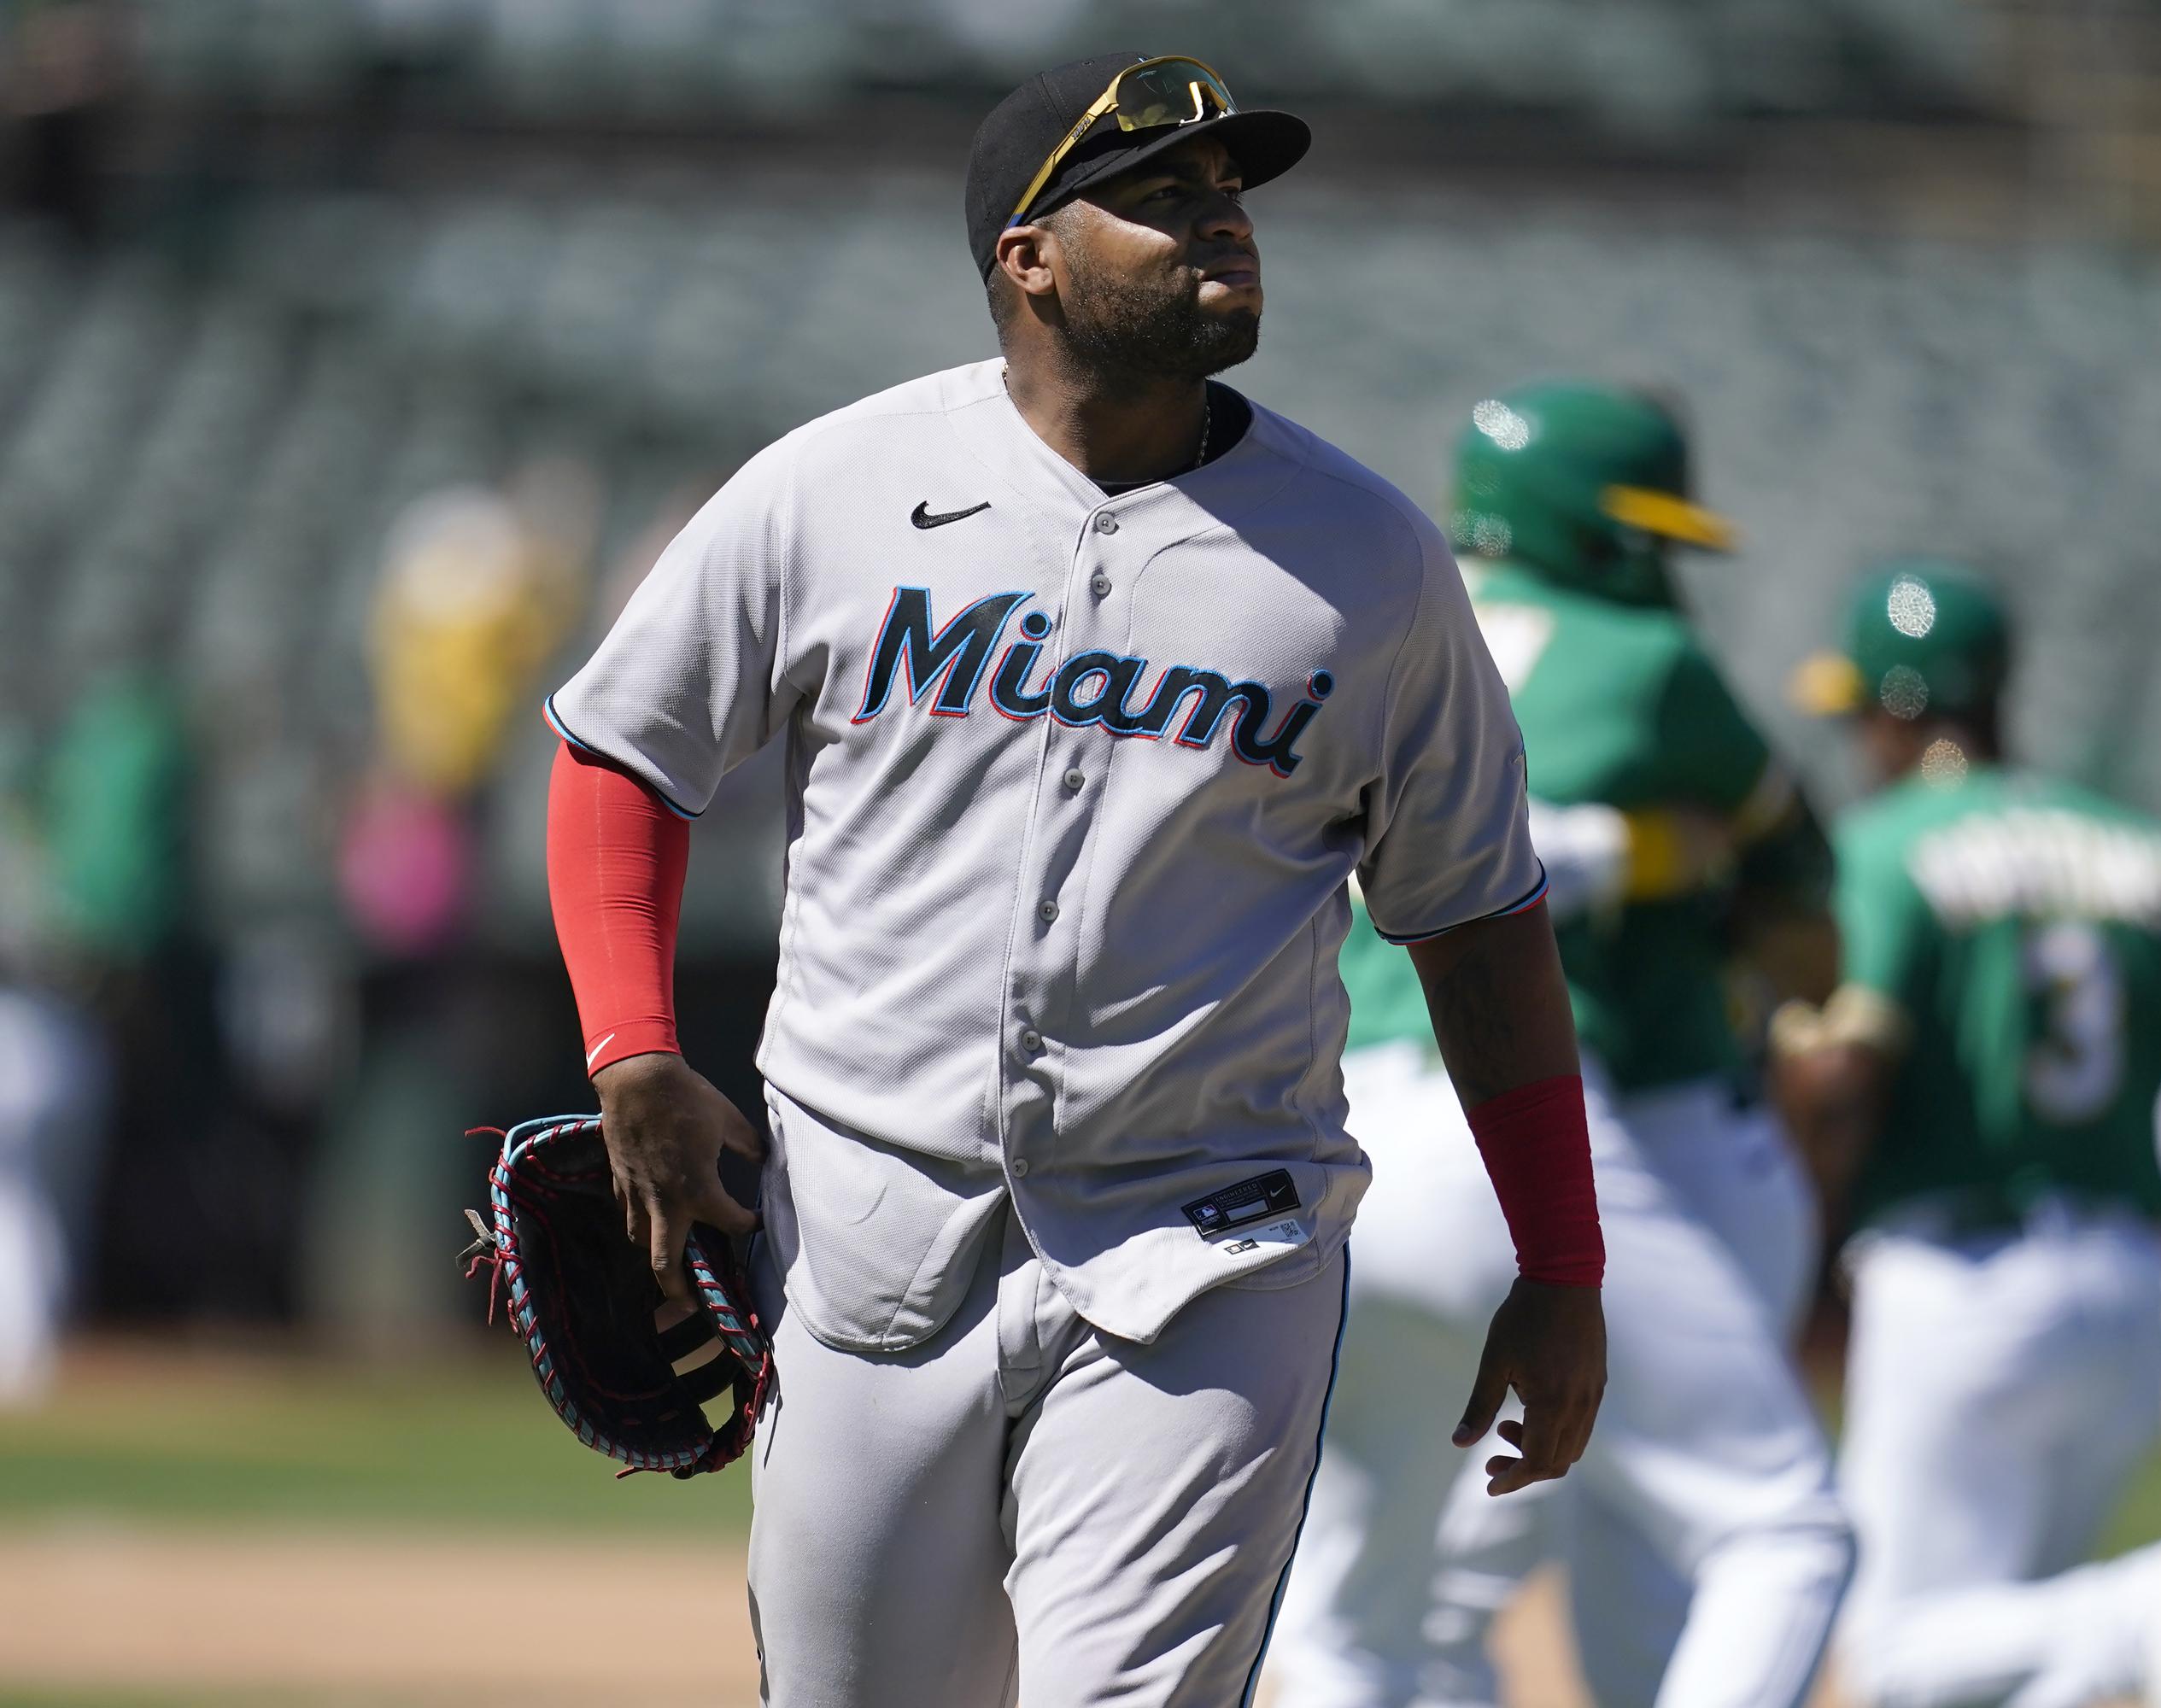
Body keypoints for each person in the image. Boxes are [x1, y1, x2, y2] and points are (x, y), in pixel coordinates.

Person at [536, 52, 1608, 1708]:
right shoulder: (838, 486)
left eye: (1230, 192)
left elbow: (1478, 924)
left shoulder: (1369, 560)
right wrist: (633, 1046)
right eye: (1163, 196)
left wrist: (1564, 1262)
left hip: (1213, 1242)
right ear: (1027, 255)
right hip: (866, 1234)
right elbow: (626, 752)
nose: (1221, 225)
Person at [1277, 384, 1852, 1708]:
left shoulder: (1364, 634)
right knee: (1780, 1528)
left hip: (1333, 1143)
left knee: (1372, 1621)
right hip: (1529, 1138)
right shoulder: (1645, 658)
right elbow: (1800, 890)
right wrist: (1653, 853)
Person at [1772, 562, 2161, 1708]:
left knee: (1899, 1658)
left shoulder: (1886, 847)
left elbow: (1842, 1080)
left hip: (1958, 1277)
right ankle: (2132, 1623)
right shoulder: (2145, 848)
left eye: (1861, 718)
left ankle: (2149, 1610)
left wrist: (1809, 1247)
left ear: (1898, 708)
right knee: (2017, 1646)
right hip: (2126, 1289)